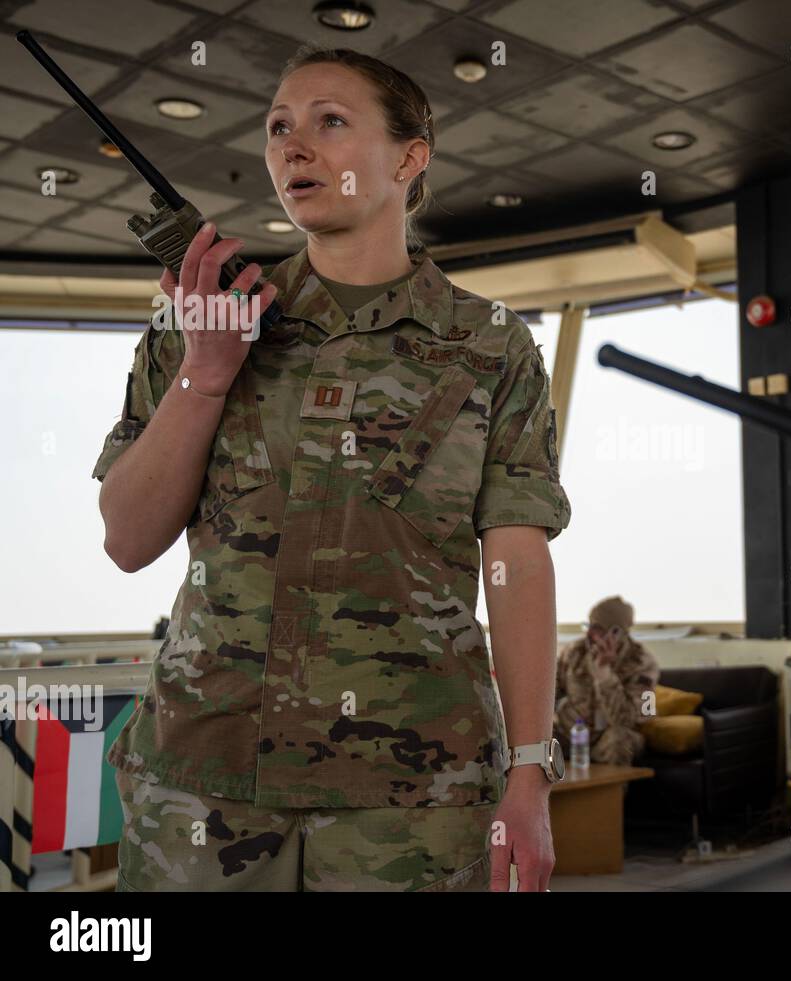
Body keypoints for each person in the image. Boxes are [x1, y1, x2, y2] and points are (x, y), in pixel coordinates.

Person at [93, 45, 571, 892]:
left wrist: (529, 770)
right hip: (203, 786)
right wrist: (207, 371)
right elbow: (128, 539)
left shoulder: (492, 346)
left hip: (414, 797)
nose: (292, 147)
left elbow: (517, 559)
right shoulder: (200, 321)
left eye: (330, 123)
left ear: (409, 157)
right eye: (279, 127)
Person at [554, 596, 660, 767]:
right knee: (536, 736)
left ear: (617, 632)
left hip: (609, 738)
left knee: (619, 740)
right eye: (588, 626)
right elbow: (549, 693)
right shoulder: (574, 652)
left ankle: (611, 793)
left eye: (597, 628)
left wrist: (604, 676)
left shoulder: (643, 663)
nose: (588, 633)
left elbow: (628, 720)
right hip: (572, 733)